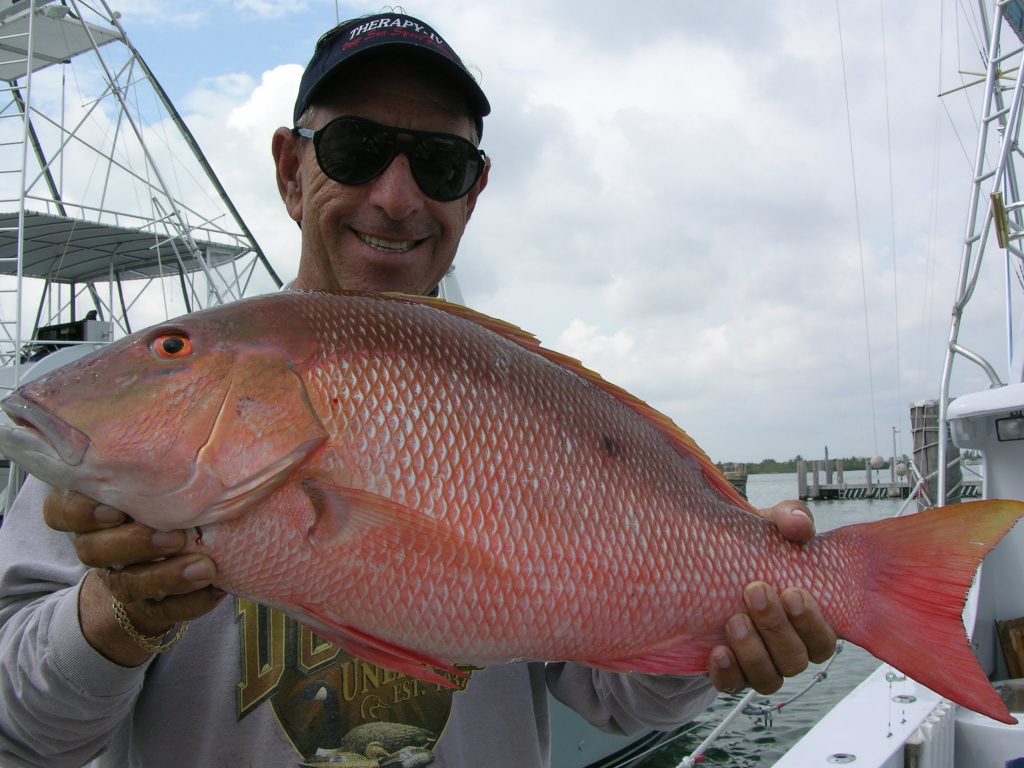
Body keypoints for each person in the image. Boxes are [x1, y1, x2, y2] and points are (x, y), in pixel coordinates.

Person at [0, 12, 836, 767]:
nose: (395, 198)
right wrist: (121, 612)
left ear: (471, 193)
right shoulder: (108, 454)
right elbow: (23, 734)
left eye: (438, 164)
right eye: (355, 151)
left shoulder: (533, 405)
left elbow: (617, 699)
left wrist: (728, 640)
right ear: (293, 169)